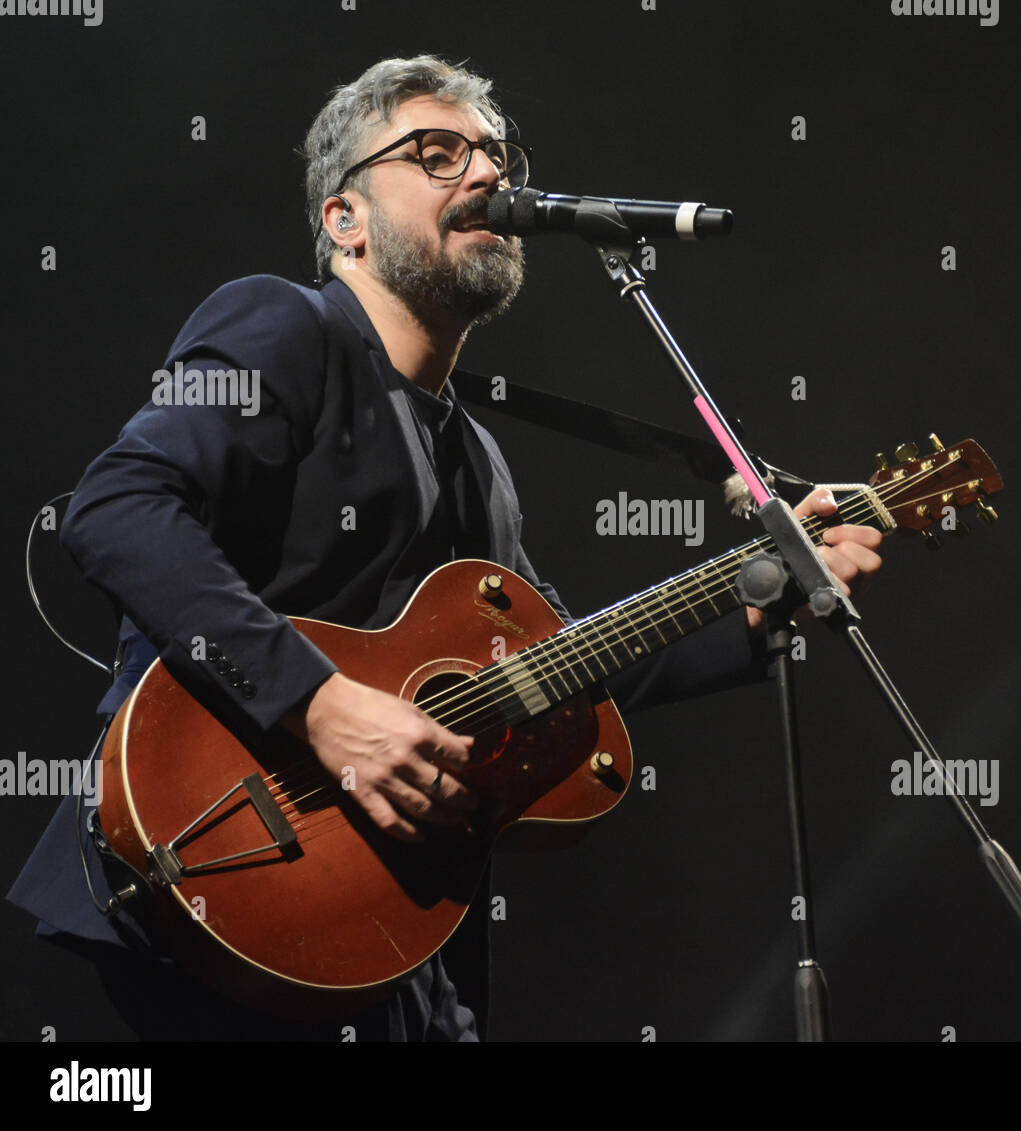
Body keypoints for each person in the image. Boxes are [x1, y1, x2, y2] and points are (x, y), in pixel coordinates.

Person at [8, 55, 883, 1041]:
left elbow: (544, 677)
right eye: (436, 154)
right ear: (345, 219)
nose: (485, 177)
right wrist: (324, 706)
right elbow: (117, 509)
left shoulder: (480, 460)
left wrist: (756, 611)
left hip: (388, 926)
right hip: (216, 852)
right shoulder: (284, 325)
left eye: (493, 155)